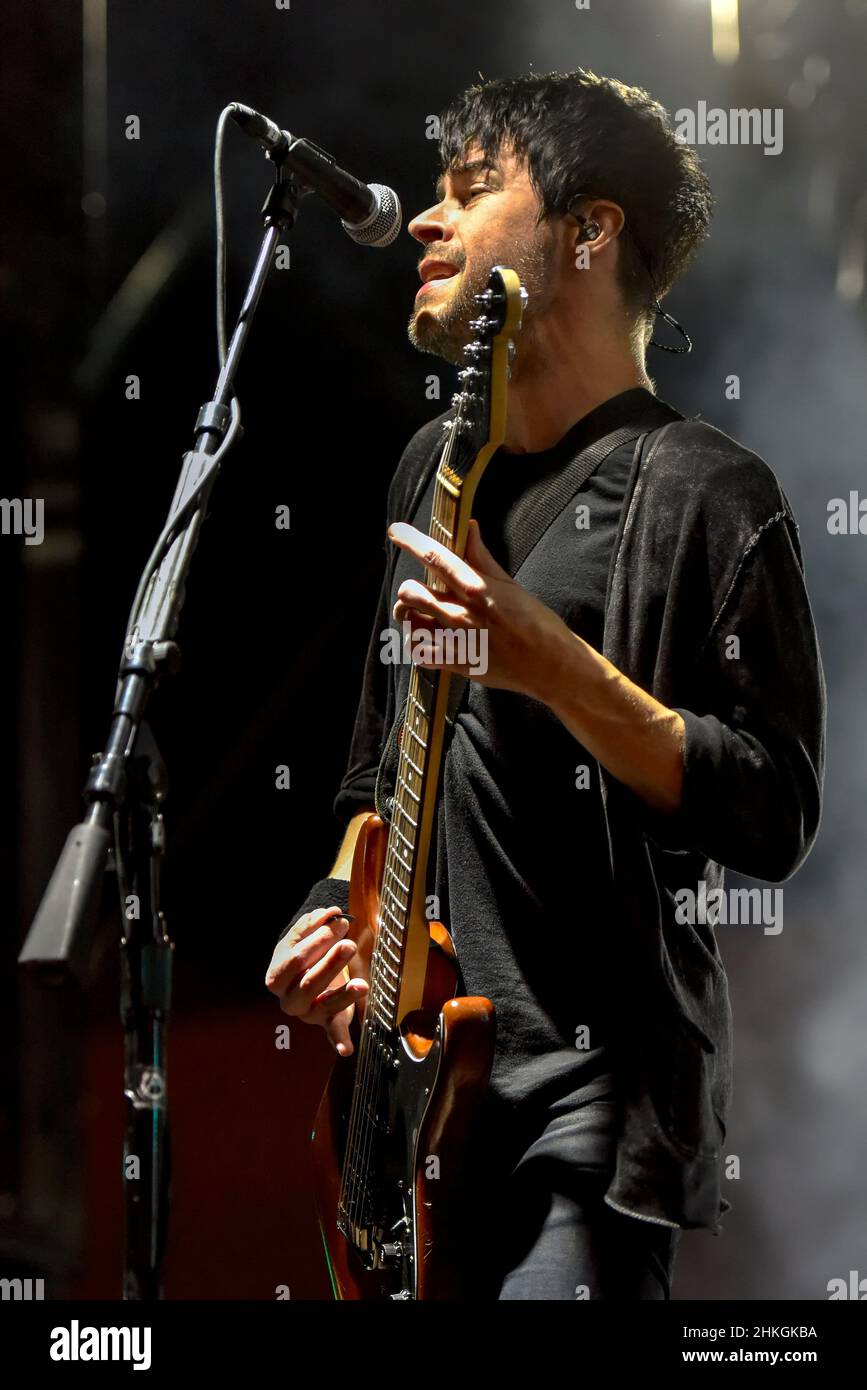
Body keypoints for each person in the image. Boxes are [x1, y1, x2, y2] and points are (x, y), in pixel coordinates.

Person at [265, 68, 826, 1300]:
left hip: (589, 1111)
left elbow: (776, 807)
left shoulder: (704, 492)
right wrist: (333, 918)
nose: (423, 220)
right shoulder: (431, 469)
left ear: (589, 231)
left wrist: (552, 663)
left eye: (470, 191)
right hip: (403, 1114)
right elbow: (375, 770)